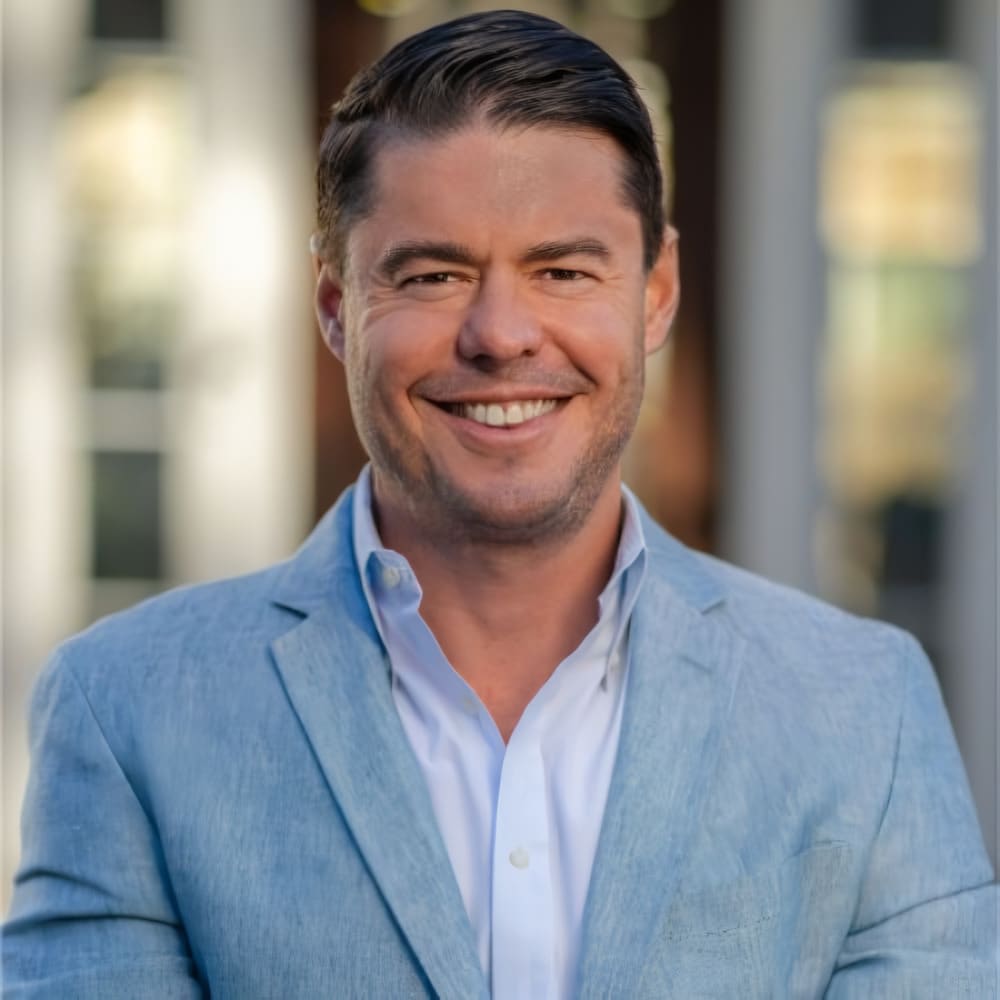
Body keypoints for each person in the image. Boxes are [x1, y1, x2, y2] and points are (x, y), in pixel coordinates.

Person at [4, 10, 995, 998]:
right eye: (433, 274)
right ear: (337, 307)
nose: (500, 334)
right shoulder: (126, 710)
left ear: (654, 294)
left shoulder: (860, 709)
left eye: (561, 270)